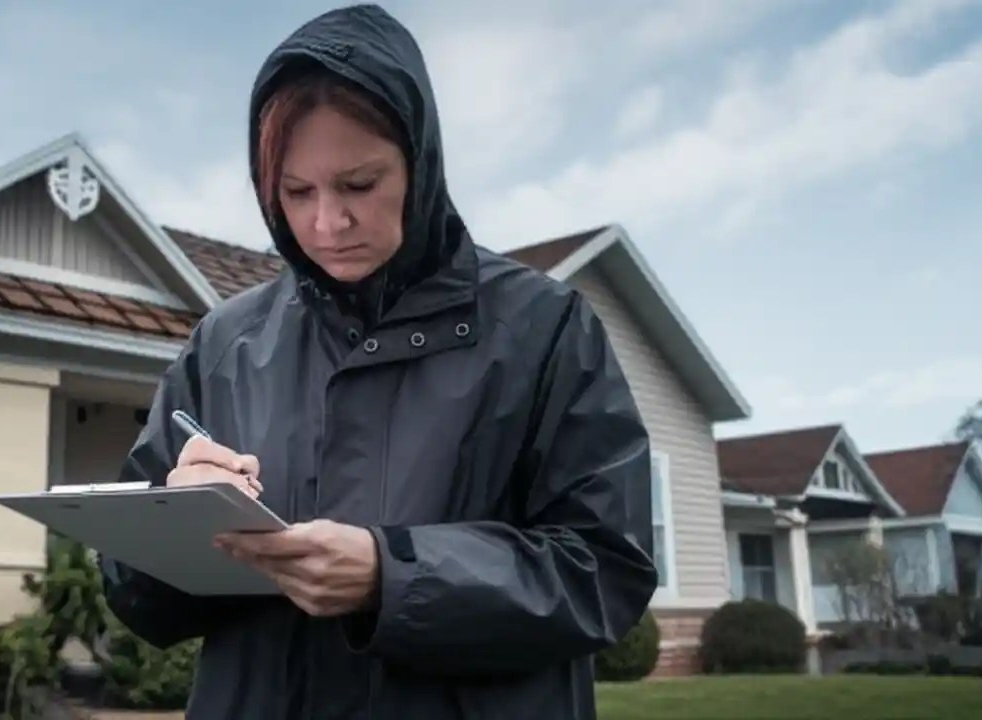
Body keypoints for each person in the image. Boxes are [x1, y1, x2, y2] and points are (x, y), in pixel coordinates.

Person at [99, 4, 658, 718]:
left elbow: (603, 571)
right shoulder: (225, 344)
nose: (327, 224)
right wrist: (180, 516)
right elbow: (133, 591)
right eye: (297, 192)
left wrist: (391, 578)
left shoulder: (546, 329)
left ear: (420, 166)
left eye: (359, 185)